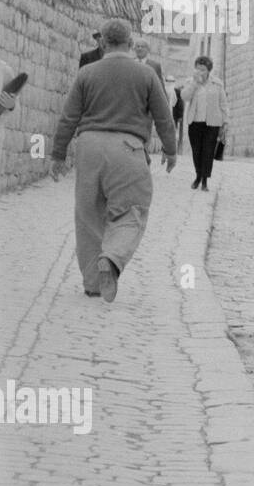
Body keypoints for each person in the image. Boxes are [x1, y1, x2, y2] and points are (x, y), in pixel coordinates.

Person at [50, 17, 177, 302]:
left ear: (103, 43)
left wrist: (58, 154)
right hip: (128, 148)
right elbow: (163, 116)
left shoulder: (87, 73)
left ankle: (94, 284)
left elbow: (69, 116)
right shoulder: (146, 75)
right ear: (131, 43)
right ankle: (113, 257)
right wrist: (170, 150)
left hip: (89, 146)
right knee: (131, 211)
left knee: (88, 215)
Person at [180, 55, 228, 191]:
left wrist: (225, 122)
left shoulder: (217, 84)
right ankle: (198, 176)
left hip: (212, 123)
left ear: (208, 70)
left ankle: (205, 180)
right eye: (198, 68)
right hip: (195, 122)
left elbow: (223, 103)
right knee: (197, 151)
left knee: (208, 151)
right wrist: (195, 83)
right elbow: (184, 97)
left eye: (203, 69)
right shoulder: (190, 81)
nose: (200, 71)